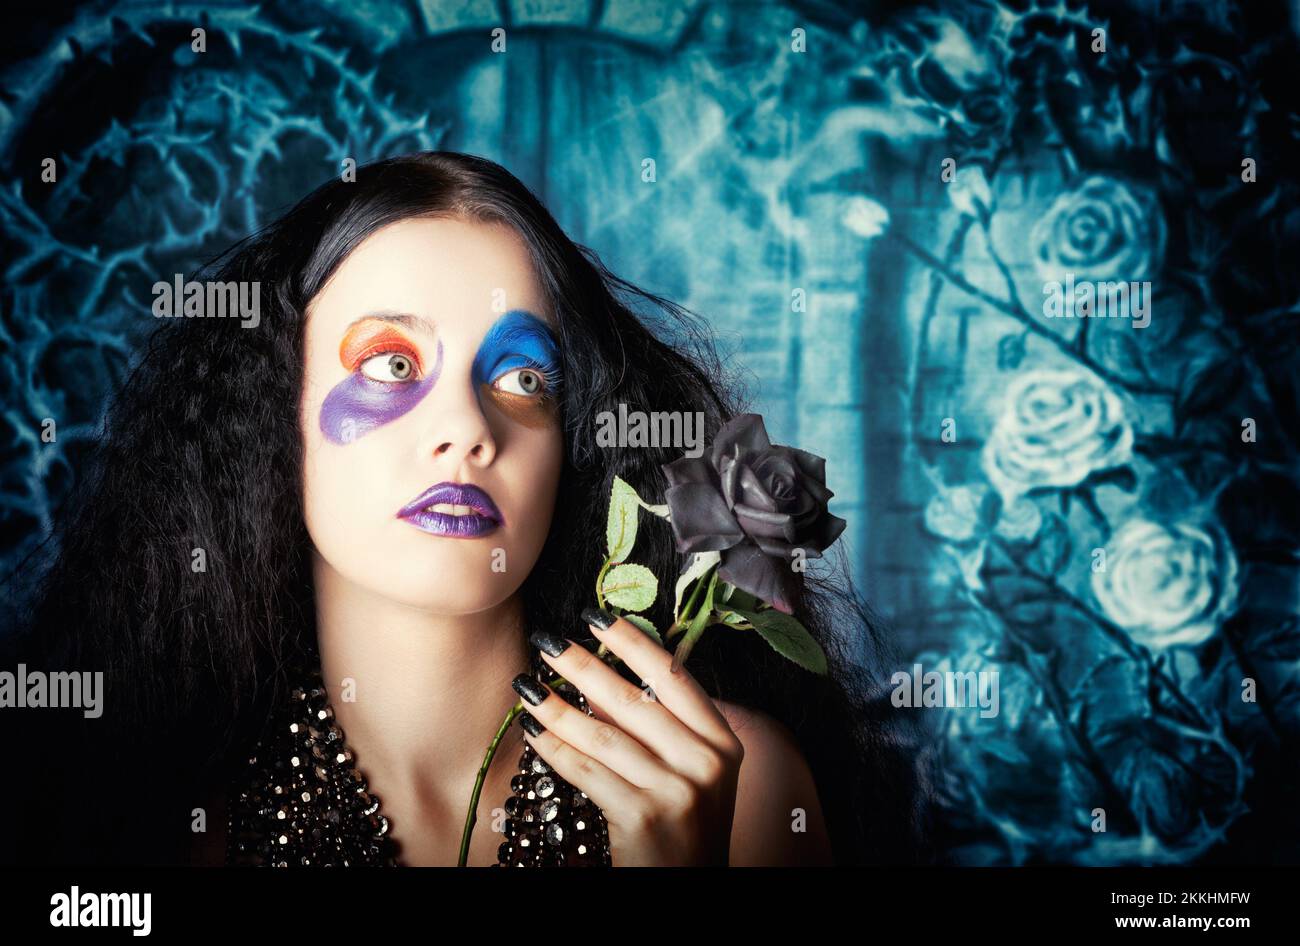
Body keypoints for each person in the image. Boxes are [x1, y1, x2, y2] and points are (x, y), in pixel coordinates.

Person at [7, 151, 932, 866]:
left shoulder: (738, 789)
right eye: (392, 366)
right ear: (271, 415)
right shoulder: (159, 817)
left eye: (523, 375)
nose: (465, 428)